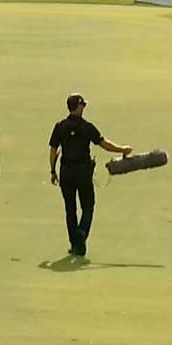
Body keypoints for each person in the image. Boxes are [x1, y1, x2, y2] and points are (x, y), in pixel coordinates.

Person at [49, 93, 132, 258]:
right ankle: (82, 233)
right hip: (83, 172)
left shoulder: (60, 126)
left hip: (66, 172)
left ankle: (75, 244)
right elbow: (105, 144)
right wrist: (123, 149)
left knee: (70, 209)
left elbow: (53, 150)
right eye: (83, 105)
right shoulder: (87, 127)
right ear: (78, 107)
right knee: (88, 206)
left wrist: (52, 171)